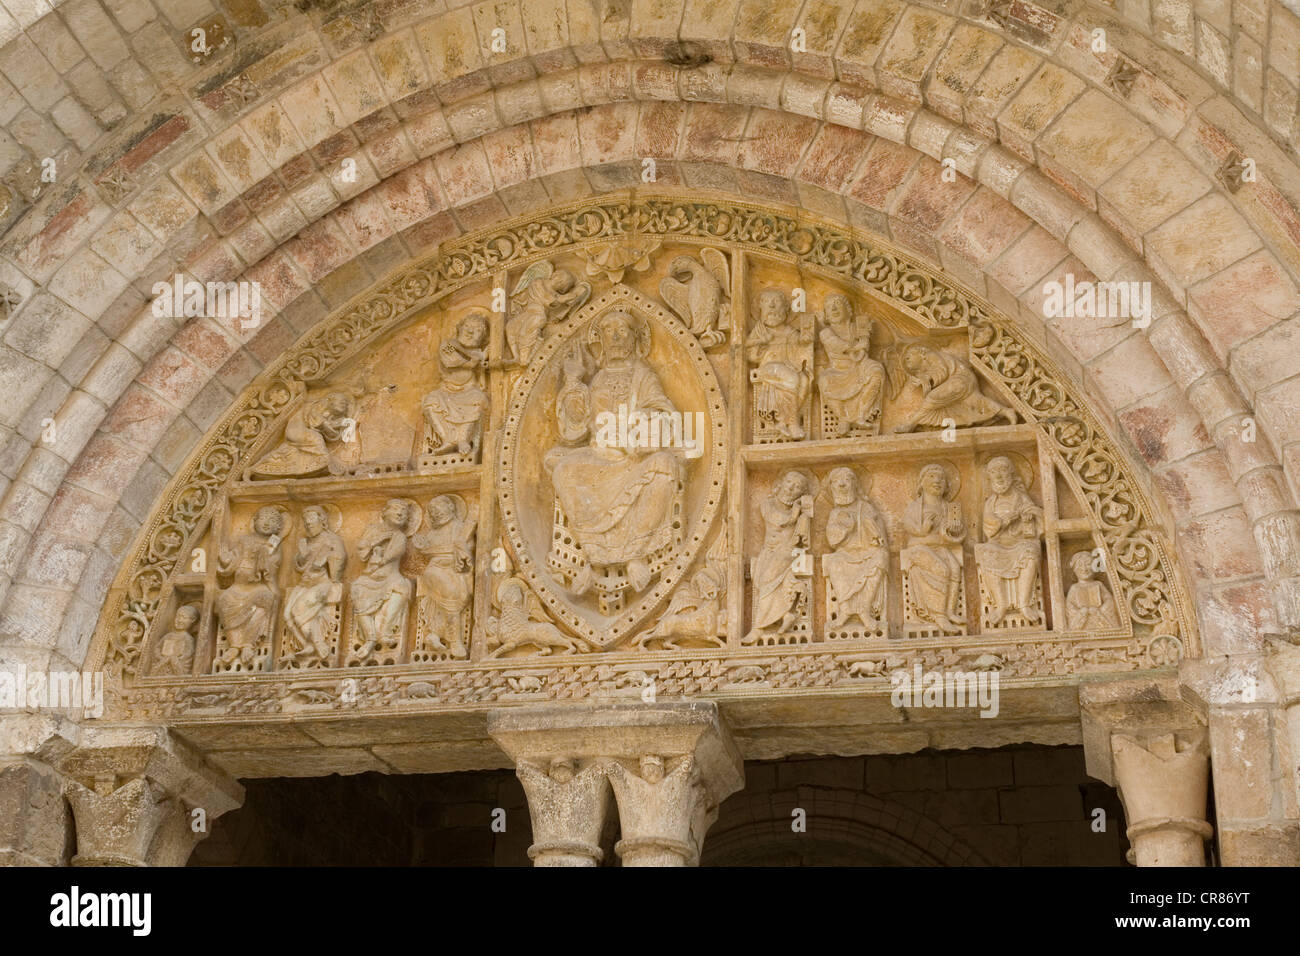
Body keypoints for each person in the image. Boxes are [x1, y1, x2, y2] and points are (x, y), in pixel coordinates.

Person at [544, 309, 683, 597]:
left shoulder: (643, 375)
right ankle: (592, 555)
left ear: (634, 339)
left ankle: (635, 554)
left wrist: (639, 428)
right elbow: (577, 428)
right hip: (600, 459)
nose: (616, 337)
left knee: (665, 465)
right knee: (561, 467)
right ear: (602, 341)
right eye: (610, 332)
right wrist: (573, 381)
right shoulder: (598, 379)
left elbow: (664, 412)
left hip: (633, 459)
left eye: (623, 331)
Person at [976, 457, 1043, 625]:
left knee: (1030, 552)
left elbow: (1037, 520)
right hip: (998, 544)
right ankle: (1000, 605)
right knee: (987, 553)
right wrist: (1005, 520)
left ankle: (1024, 604)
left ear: (1012, 475)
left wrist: (1030, 515)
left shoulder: (1021, 498)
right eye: (994, 474)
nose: (999, 477)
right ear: (990, 479)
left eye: (1003, 472)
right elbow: (989, 529)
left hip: (1020, 543)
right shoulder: (991, 502)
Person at [901, 463, 967, 630]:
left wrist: (955, 531)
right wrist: (922, 529)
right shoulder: (915, 507)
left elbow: (958, 533)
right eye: (931, 477)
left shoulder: (949, 507)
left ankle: (950, 611)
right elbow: (907, 524)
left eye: (941, 478)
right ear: (921, 483)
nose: (937, 480)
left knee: (954, 569)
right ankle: (939, 615)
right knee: (942, 569)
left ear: (946, 486)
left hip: (941, 547)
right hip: (919, 548)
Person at [822, 467, 889, 630]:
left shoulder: (865, 507)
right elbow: (832, 541)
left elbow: (878, 536)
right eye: (837, 481)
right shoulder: (835, 513)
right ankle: (844, 611)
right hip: (844, 554)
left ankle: (864, 610)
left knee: (881, 557)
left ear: (855, 485)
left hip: (867, 552)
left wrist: (873, 531)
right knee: (834, 562)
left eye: (847, 479)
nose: (842, 484)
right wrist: (845, 528)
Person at [282, 505, 346, 666]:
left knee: (299, 609)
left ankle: (319, 644)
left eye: (311, 519)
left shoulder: (331, 540)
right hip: (305, 583)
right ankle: (307, 645)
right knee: (287, 615)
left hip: (323, 582)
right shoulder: (305, 542)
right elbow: (299, 567)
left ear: (322, 520)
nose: (307, 523)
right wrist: (302, 556)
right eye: (305, 521)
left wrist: (328, 559)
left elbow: (339, 560)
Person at [422, 312, 489, 460]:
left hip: (469, 390)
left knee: (478, 400)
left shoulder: (477, 353)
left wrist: (481, 358)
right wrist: (474, 359)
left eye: (477, 330)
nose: (470, 331)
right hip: (446, 390)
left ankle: (463, 439)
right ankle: (448, 440)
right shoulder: (449, 345)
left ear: (483, 337)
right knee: (431, 402)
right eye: (467, 326)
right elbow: (450, 362)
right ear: (459, 328)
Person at [817, 294, 884, 436]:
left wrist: (865, 338)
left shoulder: (856, 328)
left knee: (876, 370)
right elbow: (837, 345)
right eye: (830, 307)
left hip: (859, 367)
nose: (834, 309)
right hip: (838, 370)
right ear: (826, 315)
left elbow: (862, 354)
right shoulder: (825, 332)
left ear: (848, 310)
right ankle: (843, 418)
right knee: (824, 380)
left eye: (837, 304)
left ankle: (862, 413)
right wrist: (858, 345)